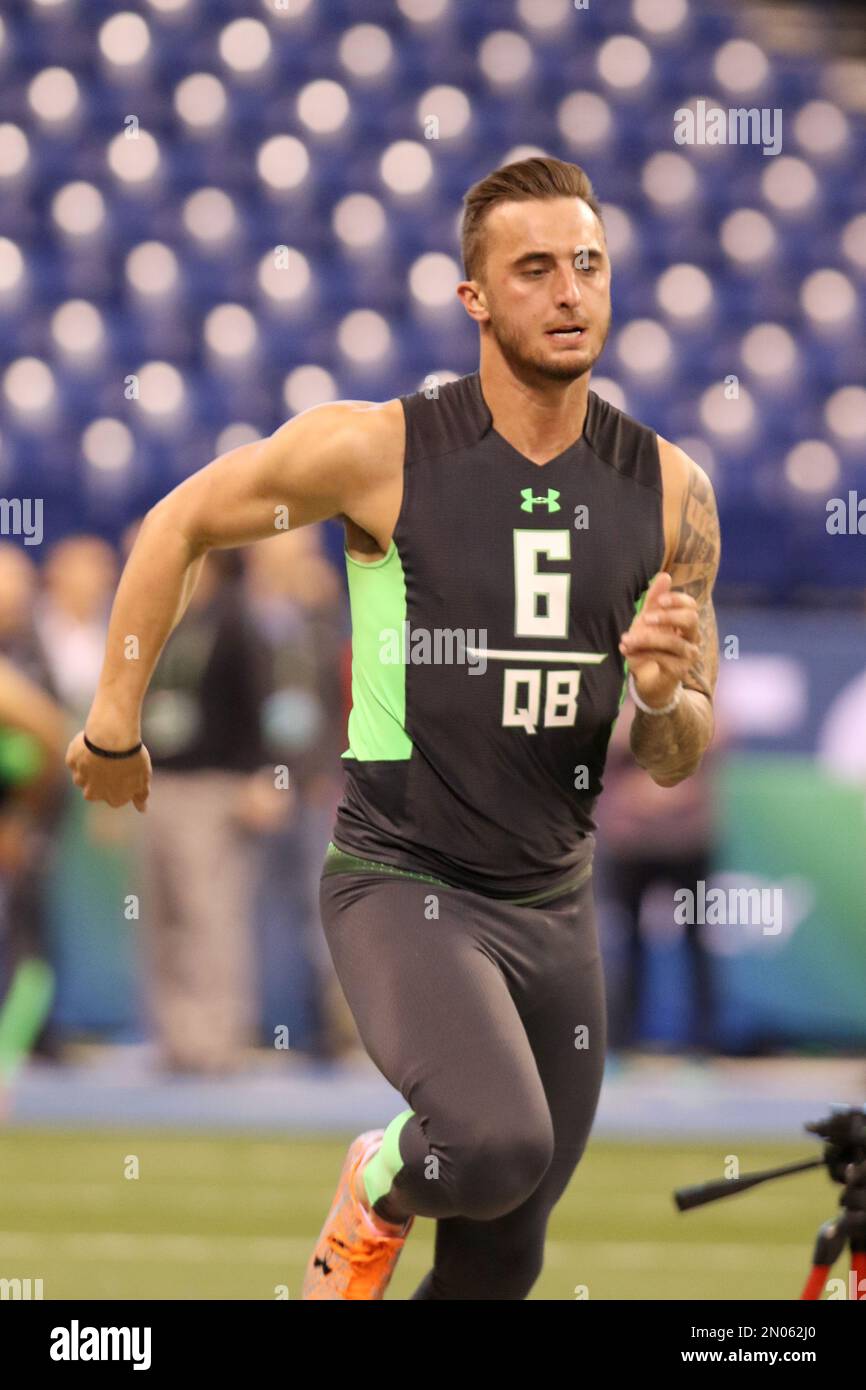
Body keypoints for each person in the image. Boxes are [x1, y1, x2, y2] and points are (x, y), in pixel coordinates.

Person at [65, 156, 721, 1301]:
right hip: (404, 879)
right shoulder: (379, 451)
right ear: (473, 299)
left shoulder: (668, 491)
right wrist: (115, 723)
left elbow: (675, 752)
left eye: (588, 264)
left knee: (503, 1254)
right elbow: (179, 524)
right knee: (490, 1145)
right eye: (533, 270)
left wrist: (663, 696)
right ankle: (372, 1181)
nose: (569, 291)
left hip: (553, 904)